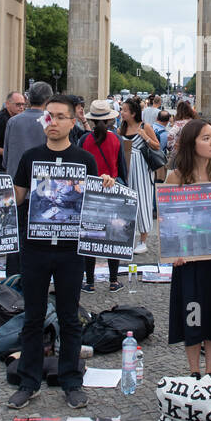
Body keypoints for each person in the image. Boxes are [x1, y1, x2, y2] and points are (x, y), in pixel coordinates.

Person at [10, 95, 112, 412]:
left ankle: (71, 380)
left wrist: (107, 183)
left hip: (70, 251)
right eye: (48, 117)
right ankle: (28, 382)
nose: (51, 122)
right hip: (35, 248)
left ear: (73, 121)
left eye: (59, 117)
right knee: (33, 317)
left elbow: (95, 205)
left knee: (70, 318)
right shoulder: (30, 157)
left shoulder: (84, 160)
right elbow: (16, 198)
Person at [165, 119, 211, 377]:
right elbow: (168, 221)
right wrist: (173, 251)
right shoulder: (175, 177)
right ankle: (194, 371)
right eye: (206, 138)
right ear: (191, 143)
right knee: (192, 315)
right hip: (189, 262)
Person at [80, 98, 127, 293]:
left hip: (91, 192)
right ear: (109, 120)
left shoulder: (83, 140)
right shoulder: (116, 139)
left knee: (90, 235)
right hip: (112, 189)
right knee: (112, 236)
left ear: (91, 120)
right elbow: (122, 168)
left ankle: (89, 282)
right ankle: (113, 280)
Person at [118, 96, 162, 253]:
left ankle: (143, 240)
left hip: (143, 169)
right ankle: (127, 237)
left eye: (124, 110)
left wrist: (146, 138)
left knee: (143, 201)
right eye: (121, 109)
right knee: (125, 202)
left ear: (133, 113)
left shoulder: (145, 126)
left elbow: (157, 147)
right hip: (126, 168)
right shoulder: (120, 129)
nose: (121, 112)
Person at [165, 100, 196, 164]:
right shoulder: (193, 122)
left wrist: (171, 146)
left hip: (181, 151)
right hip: (192, 149)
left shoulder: (179, 123)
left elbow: (170, 135)